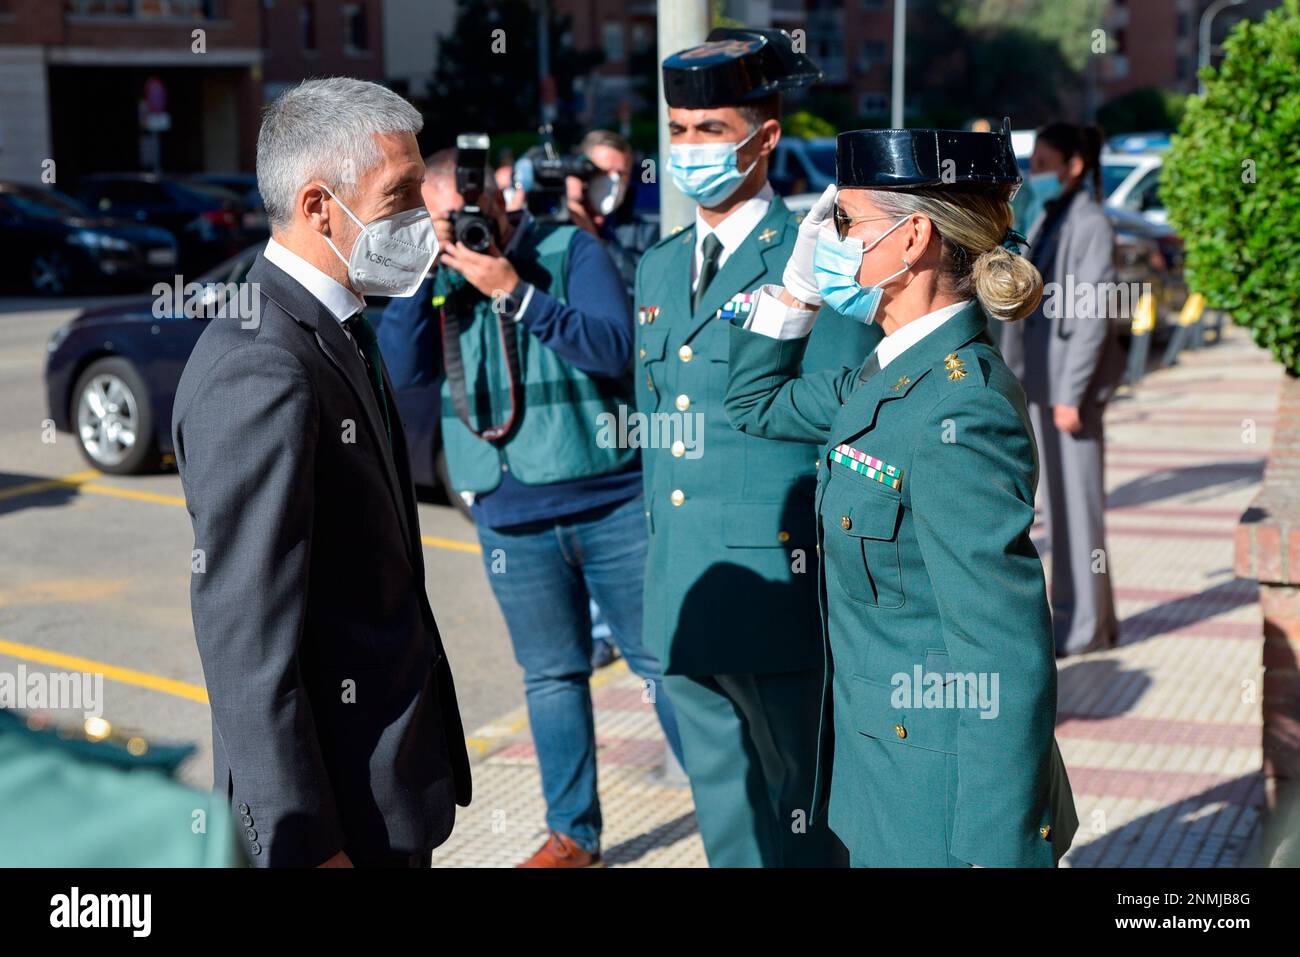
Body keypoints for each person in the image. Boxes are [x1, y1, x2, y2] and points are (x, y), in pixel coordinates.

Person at [723, 120, 1078, 866]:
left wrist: (995, 851)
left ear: (912, 238)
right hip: (877, 780)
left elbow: (1003, 655)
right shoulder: (883, 378)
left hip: (940, 811)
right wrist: (795, 288)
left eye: (845, 222)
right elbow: (754, 403)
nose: (831, 239)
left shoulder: (960, 408)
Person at [172, 77, 470, 868]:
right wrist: (306, 842)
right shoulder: (263, 366)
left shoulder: (337, 322)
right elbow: (245, 645)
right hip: (335, 818)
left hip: (386, 789)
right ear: (317, 207)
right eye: (399, 192)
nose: (421, 215)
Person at [379, 147, 684, 868]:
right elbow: (401, 371)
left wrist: (516, 291)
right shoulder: (435, 276)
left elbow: (616, 351)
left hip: (608, 498)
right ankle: (574, 836)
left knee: (662, 666)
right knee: (551, 675)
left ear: (501, 199)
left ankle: (734, 807)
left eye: (466, 211)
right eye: (438, 218)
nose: (460, 226)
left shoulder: (568, 249)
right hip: (510, 514)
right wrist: (425, 276)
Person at [634, 27, 879, 867]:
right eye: (676, 130)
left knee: (806, 812)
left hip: (781, 585)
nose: (688, 147)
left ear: (765, 137)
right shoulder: (660, 268)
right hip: (686, 585)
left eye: (709, 130)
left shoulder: (816, 261)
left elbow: (841, 421)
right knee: (726, 817)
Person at [1000, 122, 1123, 657]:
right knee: (1065, 511)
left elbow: (1094, 313)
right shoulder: (1052, 215)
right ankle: (1093, 620)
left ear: (1075, 165)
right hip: (1044, 387)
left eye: (1047, 163)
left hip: (1068, 394)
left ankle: (1084, 628)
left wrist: (1071, 393)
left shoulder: (1090, 221)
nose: (1037, 173)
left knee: (1079, 513)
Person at [565, 129, 659, 300]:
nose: (613, 180)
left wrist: (593, 239)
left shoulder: (644, 226)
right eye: (603, 172)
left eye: (621, 174)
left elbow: (640, 287)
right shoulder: (562, 213)